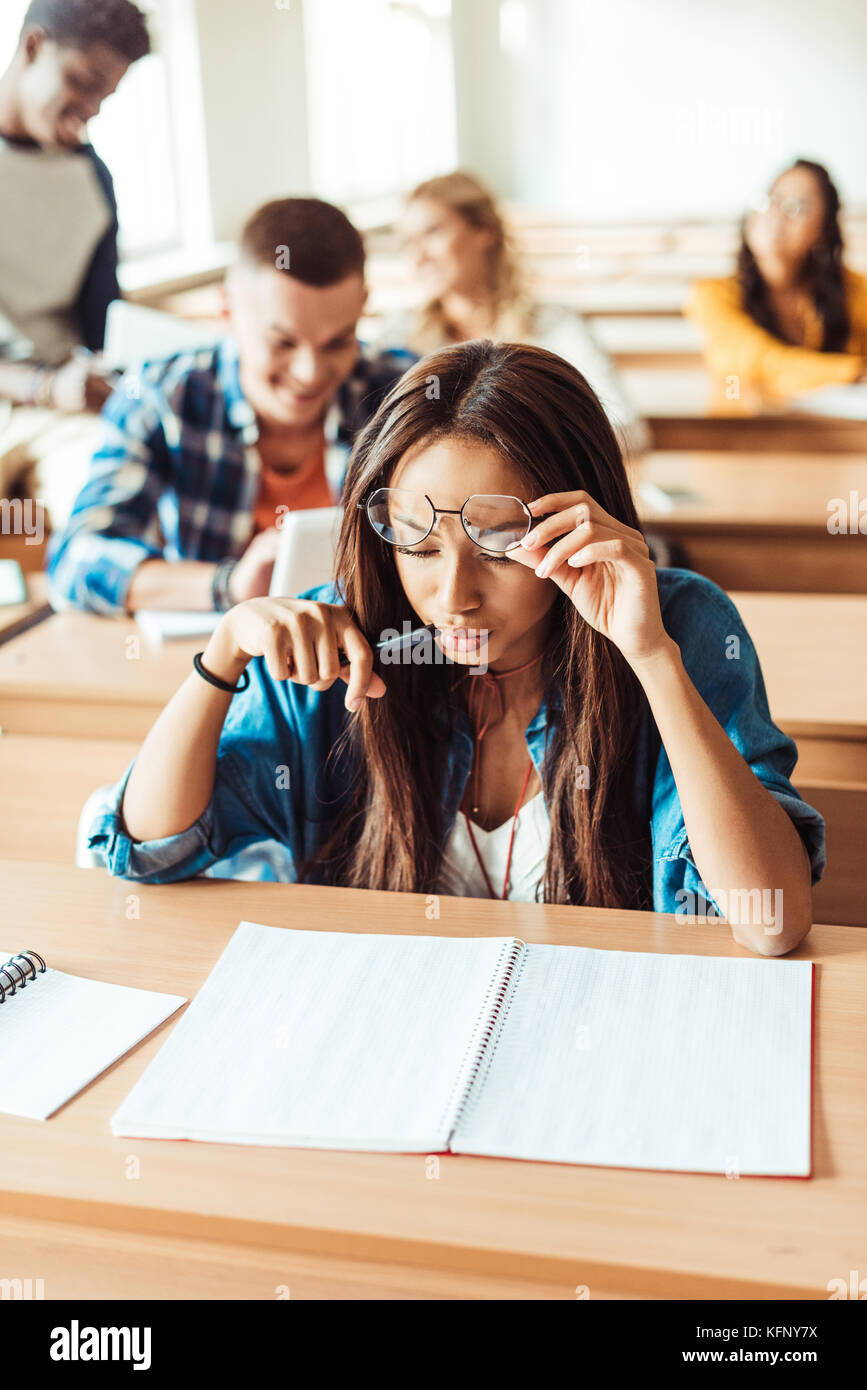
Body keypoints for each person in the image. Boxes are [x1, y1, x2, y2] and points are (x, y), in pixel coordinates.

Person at [83, 340, 824, 957]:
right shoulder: (330, 640)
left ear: (575, 520)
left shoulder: (675, 624)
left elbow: (770, 924)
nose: (453, 596)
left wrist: (650, 657)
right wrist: (220, 656)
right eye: (418, 543)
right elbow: (150, 847)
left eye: (498, 548)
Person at [47, 198, 415, 614]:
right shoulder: (160, 396)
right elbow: (73, 562)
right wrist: (229, 585)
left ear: (361, 306)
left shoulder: (404, 391)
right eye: (283, 342)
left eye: (337, 342)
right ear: (228, 311)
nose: (310, 372)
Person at [0, 0, 151, 522]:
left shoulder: (93, 180)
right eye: (82, 82)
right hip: (33, 389)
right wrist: (39, 385)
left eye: (104, 96)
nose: (90, 109)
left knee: (116, 509)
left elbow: (102, 319)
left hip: (62, 414)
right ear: (33, 47)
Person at [379, 170, 650, 456]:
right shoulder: (399, 334)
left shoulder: (555, 325)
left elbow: (629, 430)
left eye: (432, 232)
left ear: (484, 230)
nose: (418, 256)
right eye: (408, 242)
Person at [685, 158, 867, 410]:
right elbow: (761, 365)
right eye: (770, 199)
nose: (776, 214)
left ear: (823, 231)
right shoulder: (711, 296)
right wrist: (854, 372)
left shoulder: (856, 291)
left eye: (796, 207)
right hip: (739, 440)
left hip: (835, 440)